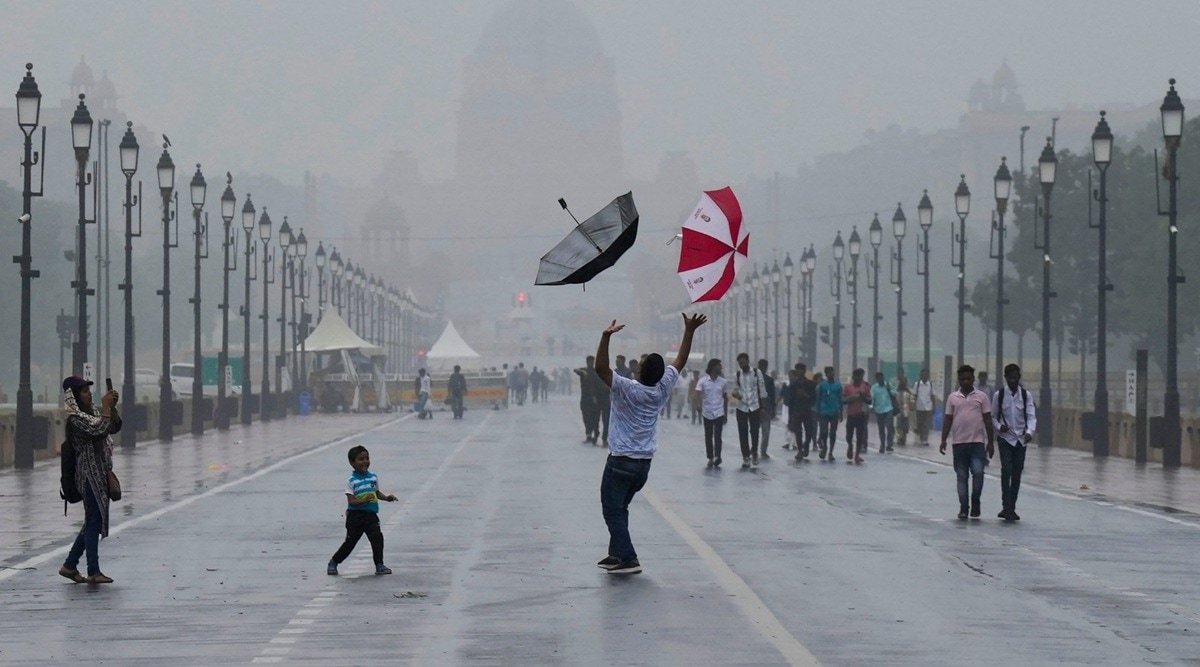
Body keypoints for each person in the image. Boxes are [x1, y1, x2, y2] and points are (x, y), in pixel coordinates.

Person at [594, 313, 705, 575]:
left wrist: (605, 337)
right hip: (643, 464)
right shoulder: (661, 388)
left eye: (641, 362)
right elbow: (680, 361)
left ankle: (629, 557)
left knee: (611, 509)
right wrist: (689, 331)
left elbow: (600, 369)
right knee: (621, 506)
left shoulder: (627, 388)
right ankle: (616, 552)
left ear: (641, 370)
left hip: (621, 460)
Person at [59, 376, 122, 585]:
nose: (89, 394)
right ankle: (93, 570)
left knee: (91, 521)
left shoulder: (93, 414)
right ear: (75, 397)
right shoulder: (76, 421)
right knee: (94, 520)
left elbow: (112, 427)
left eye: (88, 390)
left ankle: (70, 565)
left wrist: (111, 407)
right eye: (84, 391)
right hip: (87, 476)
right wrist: (105, 408)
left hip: (100, 473)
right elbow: (98, 431)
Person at [327, 445, 399, 576]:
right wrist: (364, 500)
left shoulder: (373, 477)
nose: (365, 461)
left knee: (377, 539)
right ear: (352, 463)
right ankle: (334, 562)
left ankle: (379, 565)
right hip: (355, 517)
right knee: (350, 542)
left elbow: (376, 493)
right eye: (361, 459)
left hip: (371, 516)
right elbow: (351, 501)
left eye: (367, 458)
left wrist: (387, 498)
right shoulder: (351, 481)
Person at [939, 365, 995, 520]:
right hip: (958, 444)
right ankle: (964, 507)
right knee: (962, 477)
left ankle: (975, 502)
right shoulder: (953, 398)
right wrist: (943, 439)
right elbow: (948, 419)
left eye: (968, 378)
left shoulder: (982, 397)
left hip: (977, 443)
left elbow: (987, 419)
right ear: (959, 380)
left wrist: (990, 442)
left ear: (973, 379)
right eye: (962, 379)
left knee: (978, 473)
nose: (965, 382)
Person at [993, 363, 1037, 521]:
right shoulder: (999, 395)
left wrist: (1030, 432)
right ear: (1005, 378)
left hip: (1020, 440)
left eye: (1015, 378)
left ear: (1019, 378)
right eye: (1010, 378)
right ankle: (1006, 506)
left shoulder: (1026, 396)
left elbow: (1031, 416)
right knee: (1006, 470)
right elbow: (993, 417)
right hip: (1006, 439)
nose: (1013, 381)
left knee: (1017, 472)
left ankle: (1012, 506)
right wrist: (999, 427)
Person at [731, 352, 766, 468]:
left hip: (755, 406)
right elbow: (735, 390)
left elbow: (762, 389)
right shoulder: (737, 375)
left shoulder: (756, 373)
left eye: (744, 362)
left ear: (748, 361)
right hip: (742, 407)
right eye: (740, 363)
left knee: (755, 431)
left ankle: (754, 451)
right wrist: (736, 394)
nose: (742, 364)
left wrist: (763, 407)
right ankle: (746, 457)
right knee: (743, 433)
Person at [694, 358, 728, 468]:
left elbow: (725, 397)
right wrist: (698, 405)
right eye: (718, 365)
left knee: (718, 436)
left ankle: (718, 456)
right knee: (708, 435)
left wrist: (725, 413)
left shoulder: (723, 382)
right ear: (713, 367)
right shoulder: (703, 381)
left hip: (719, 411)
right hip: (707, 411)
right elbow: (697, 394)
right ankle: (710, 457)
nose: (720, 368)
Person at [784, 364, 816, 460]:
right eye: (797, 370)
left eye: (801, 370)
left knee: (809, 431)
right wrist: (790, 415)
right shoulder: (793, 385)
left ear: (804, 371)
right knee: (798, 431)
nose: (799, 372)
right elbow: (790, 400)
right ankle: (800, 450)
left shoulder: (811, 384)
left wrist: (805, 395)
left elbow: (814, 398)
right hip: (796, 411)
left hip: (807, 410)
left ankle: (806, 444)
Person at [842, 368, 871, 464]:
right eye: (856, 376)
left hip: (861, 414)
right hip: (851, 414)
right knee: (849, 435)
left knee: (860, 435)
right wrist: (852, 398)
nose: (858, 378)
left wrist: (862, 396)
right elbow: (843, 400)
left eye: (860, 376)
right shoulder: (848, 387)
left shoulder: (865, 388)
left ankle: (857, 454)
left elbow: (870, 401)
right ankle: (850, 445)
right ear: (853, 377)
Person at [816, 367, 843, 461]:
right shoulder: (822, 386)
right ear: (826, 374)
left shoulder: (838, 386)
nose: (831, 374)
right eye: (829, 373)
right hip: (824, 411)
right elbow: (818, 399)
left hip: (834, 412)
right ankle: (824, 446)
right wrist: (818, 411)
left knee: (832, 432)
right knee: (823, 432)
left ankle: (831, 452)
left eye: (832, 372)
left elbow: (840, 400)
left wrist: (841, 412)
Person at [574, 357, 601, 444]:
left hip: (595, 397)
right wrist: (583, 372)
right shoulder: (583, 371)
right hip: (585, 397)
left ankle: (595, 433)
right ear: (587, 362)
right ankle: (589, 434)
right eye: (590, 362)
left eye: (592, 362)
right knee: (586, 416)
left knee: (595, 417)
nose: (591, 363)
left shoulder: (596, 371)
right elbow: (575, 370)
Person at [870, 371, 896, 453]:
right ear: (877, 379)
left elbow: (896, 393)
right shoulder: (874, 388)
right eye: (879, 378)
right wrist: (871, 407)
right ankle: (882, 444)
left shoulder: (888, 385)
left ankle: (889, 445)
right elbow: (872, 399)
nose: (881, 380)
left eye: (882, 378)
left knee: (889, 427)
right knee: (881, 428)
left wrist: (890, 390)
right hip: (879, 410)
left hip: (889, 409)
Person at [756, 359, 777, 459]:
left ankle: (756, 450)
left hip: (756, 408)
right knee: (765, 431)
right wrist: (773, 409)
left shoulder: (754, 378)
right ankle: (763, 450)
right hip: (765, 408)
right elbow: (772, 397)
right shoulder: (768, 380)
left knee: (756, 430)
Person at [913, 368, 937, 446]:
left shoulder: (930, 384)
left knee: (926, 424)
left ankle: (925, 439)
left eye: (926, 374)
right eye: (923, 374)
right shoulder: (917, 384)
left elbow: (933, 395)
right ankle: (920, 436)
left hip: (928, 407)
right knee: (920, 423)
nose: (924, 376)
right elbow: (914, 395)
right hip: (919, 407)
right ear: (921, 375)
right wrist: (913, 405)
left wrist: (934, 406)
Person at [894, 378, 912, 447]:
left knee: (898, 427)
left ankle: (899, 439)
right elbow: (911, 402)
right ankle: (903, 439)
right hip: (906, 413)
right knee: (905, 427)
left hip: (898, 413)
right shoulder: (907, 394)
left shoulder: (896, 394)